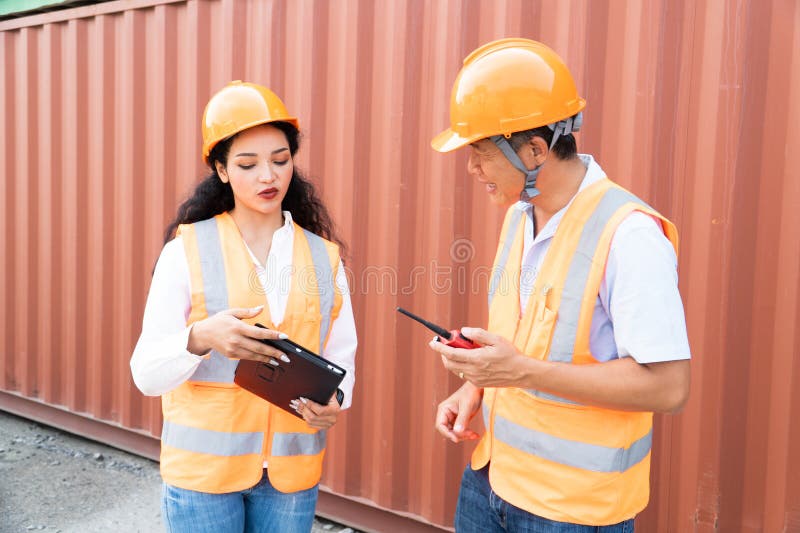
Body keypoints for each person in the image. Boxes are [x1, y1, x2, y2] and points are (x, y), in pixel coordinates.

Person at [427, 38, 691, 531]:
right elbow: (530, 342)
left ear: (534, 149)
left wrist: (518, 371)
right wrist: (475, 387)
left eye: (481, 153)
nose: (471, 168)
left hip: (573, 511)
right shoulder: (519, 218)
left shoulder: (629, 234)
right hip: (492, 483)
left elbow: (669, 387)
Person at [130, 81, 357, 533]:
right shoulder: (187, 250)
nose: (268, 177)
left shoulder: (323, 258)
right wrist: (200, 338)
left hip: (290, 479)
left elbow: (341, 363)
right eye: (247, 164)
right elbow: (146, 373)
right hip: (203, 480)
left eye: (280, 160)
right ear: (221, 169)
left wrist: (336, 402)